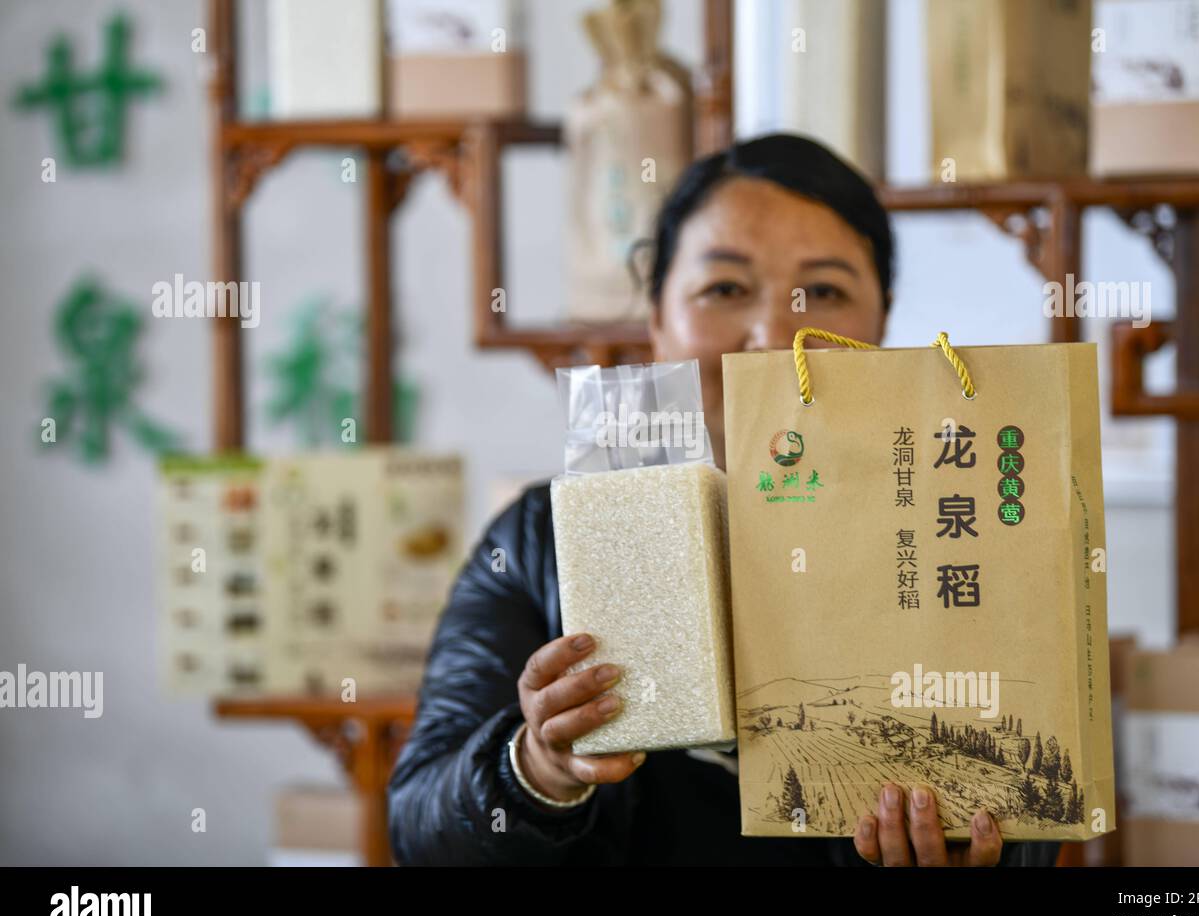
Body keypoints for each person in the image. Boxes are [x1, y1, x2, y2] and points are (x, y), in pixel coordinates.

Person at [388, 133, 1061, 866]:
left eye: (825, 292)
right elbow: (420, 832)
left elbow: (1040, 798)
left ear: (883, 319)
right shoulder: (537, 540)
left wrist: (978, 849)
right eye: (725, 289)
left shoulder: (958, 528)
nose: (774, 335)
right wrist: (537, 770)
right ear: (656, 316)